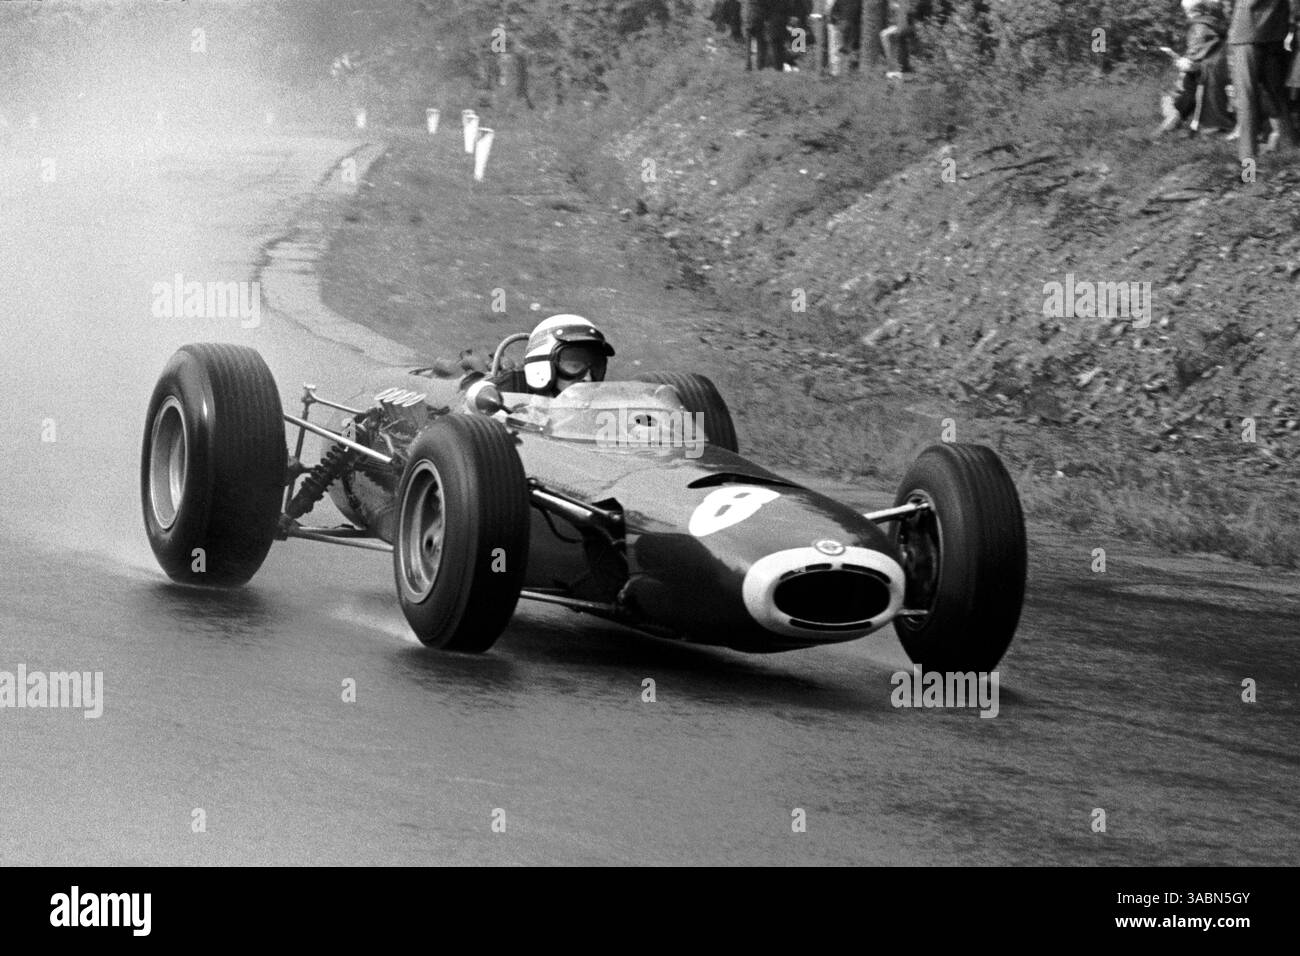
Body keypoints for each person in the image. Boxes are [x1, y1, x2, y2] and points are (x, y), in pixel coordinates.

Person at [1226, 0, 1300, 164]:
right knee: (1276, 94)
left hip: (1246, 31)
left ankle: (1248, 168)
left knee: (1246, 99)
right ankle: (1292, 153)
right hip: (1275, 31)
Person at [1158, 0, 1235, 136]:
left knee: (1187, 93)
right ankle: (1178, 122)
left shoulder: (1199, 26)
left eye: (1188, 11)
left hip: (1203, 71)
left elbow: (1195, 52)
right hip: (1215, 68)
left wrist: (1184, 62)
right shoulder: (1214, 23)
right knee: (1187, 94)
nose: (1187, 14)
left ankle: (1167, 127)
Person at [520, 314, 615, 397]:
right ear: (541, 368)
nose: (588, 378)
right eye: (575, 366)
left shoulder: (603, 416)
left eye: (596, 368)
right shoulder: (515, 414)